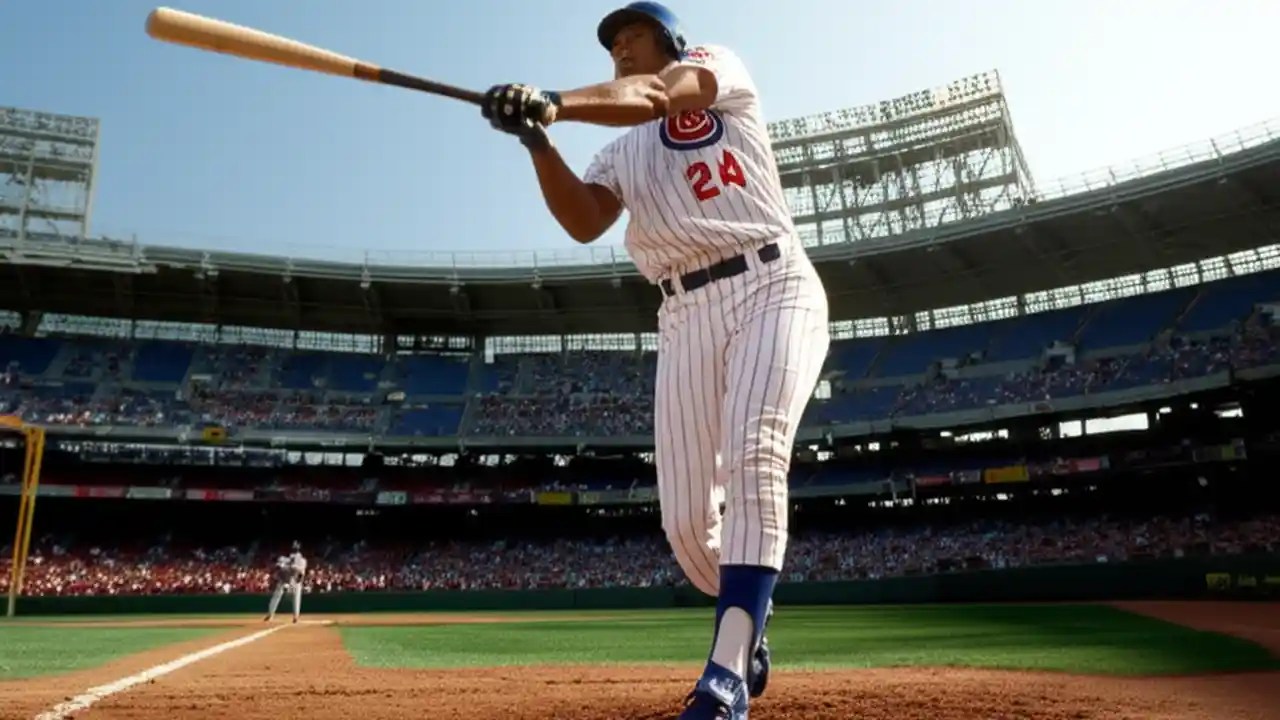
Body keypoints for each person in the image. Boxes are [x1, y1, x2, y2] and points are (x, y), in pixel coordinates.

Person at [480, 3, 830, 717]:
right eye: (612, 43)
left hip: (770, 280)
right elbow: (584, 220)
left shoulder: (713, 68)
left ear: (669, 40)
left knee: (756, 452)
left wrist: (554, 100)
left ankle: (726, 676)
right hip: (682, 312)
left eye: (632, 35)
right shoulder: (619, 152)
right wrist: (537, 140)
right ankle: (750, 616)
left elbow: (658, 95)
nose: (619, 48)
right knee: (687, 531)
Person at [264, 541, 307, 624]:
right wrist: (283, 567)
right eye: (293, 548)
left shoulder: (302, 560)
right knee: (277, 595)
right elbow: (277, 568)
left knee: (296, 597)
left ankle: (295, 616)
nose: (294, 551)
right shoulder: (283, 558)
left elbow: (301, 573)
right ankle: (270, 614)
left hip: (295, 579)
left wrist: (296, 580)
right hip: (284, 578)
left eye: (295, 549)